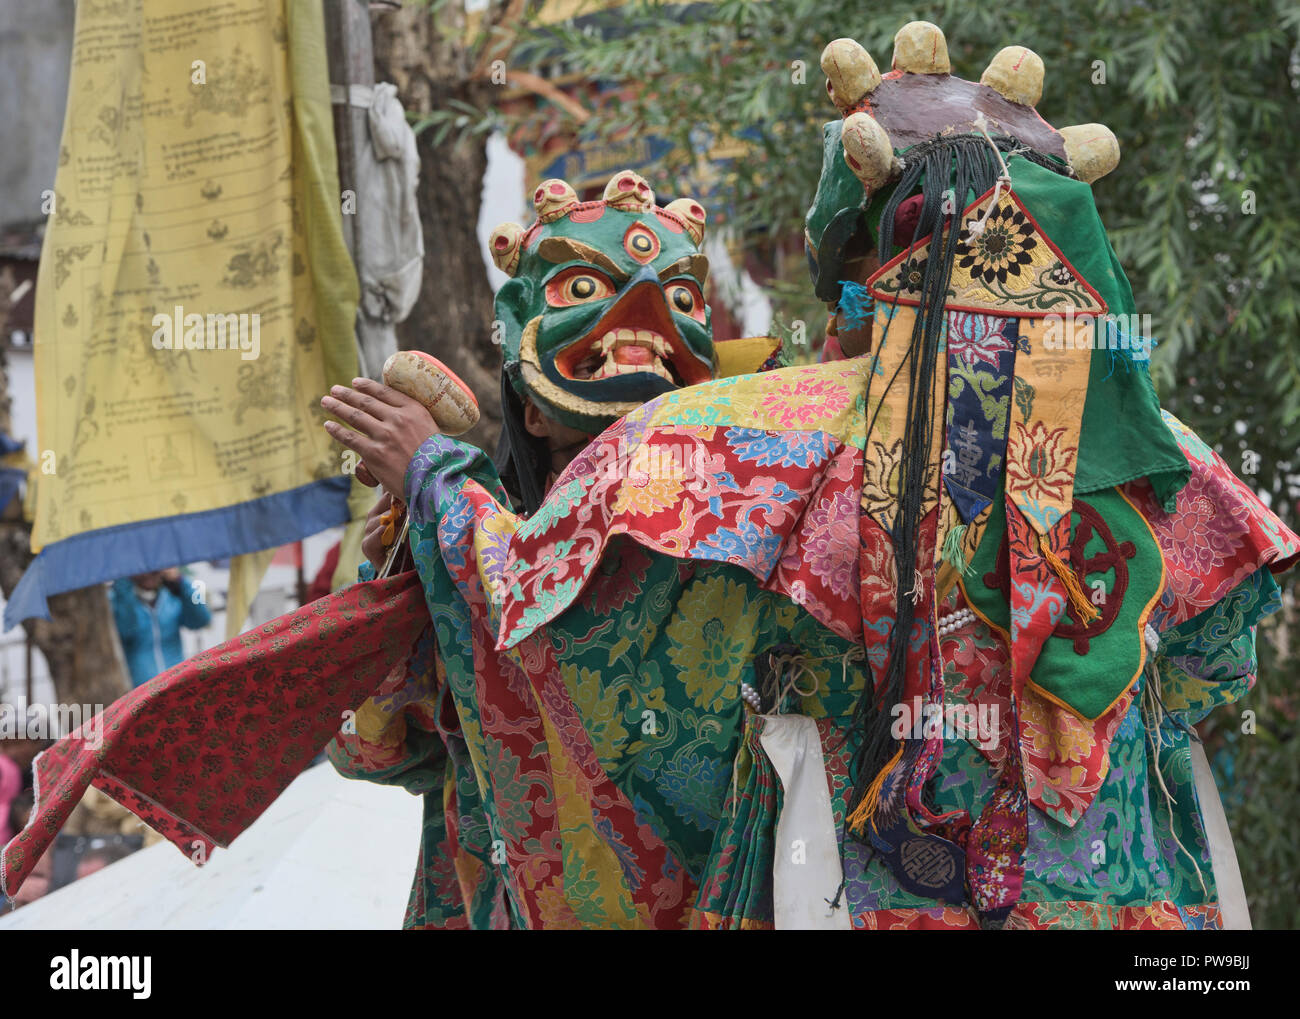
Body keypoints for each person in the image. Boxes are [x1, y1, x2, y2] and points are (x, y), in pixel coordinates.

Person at [110, 568, 212, 688]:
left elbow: (201, 619)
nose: (148, 574)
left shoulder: (171, 598)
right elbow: (126, 630)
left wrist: (181, 581)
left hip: (176, 685)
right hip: (139, 691)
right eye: (142, 569)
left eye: (154, 569)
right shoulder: (118, 599)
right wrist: (123, 582)